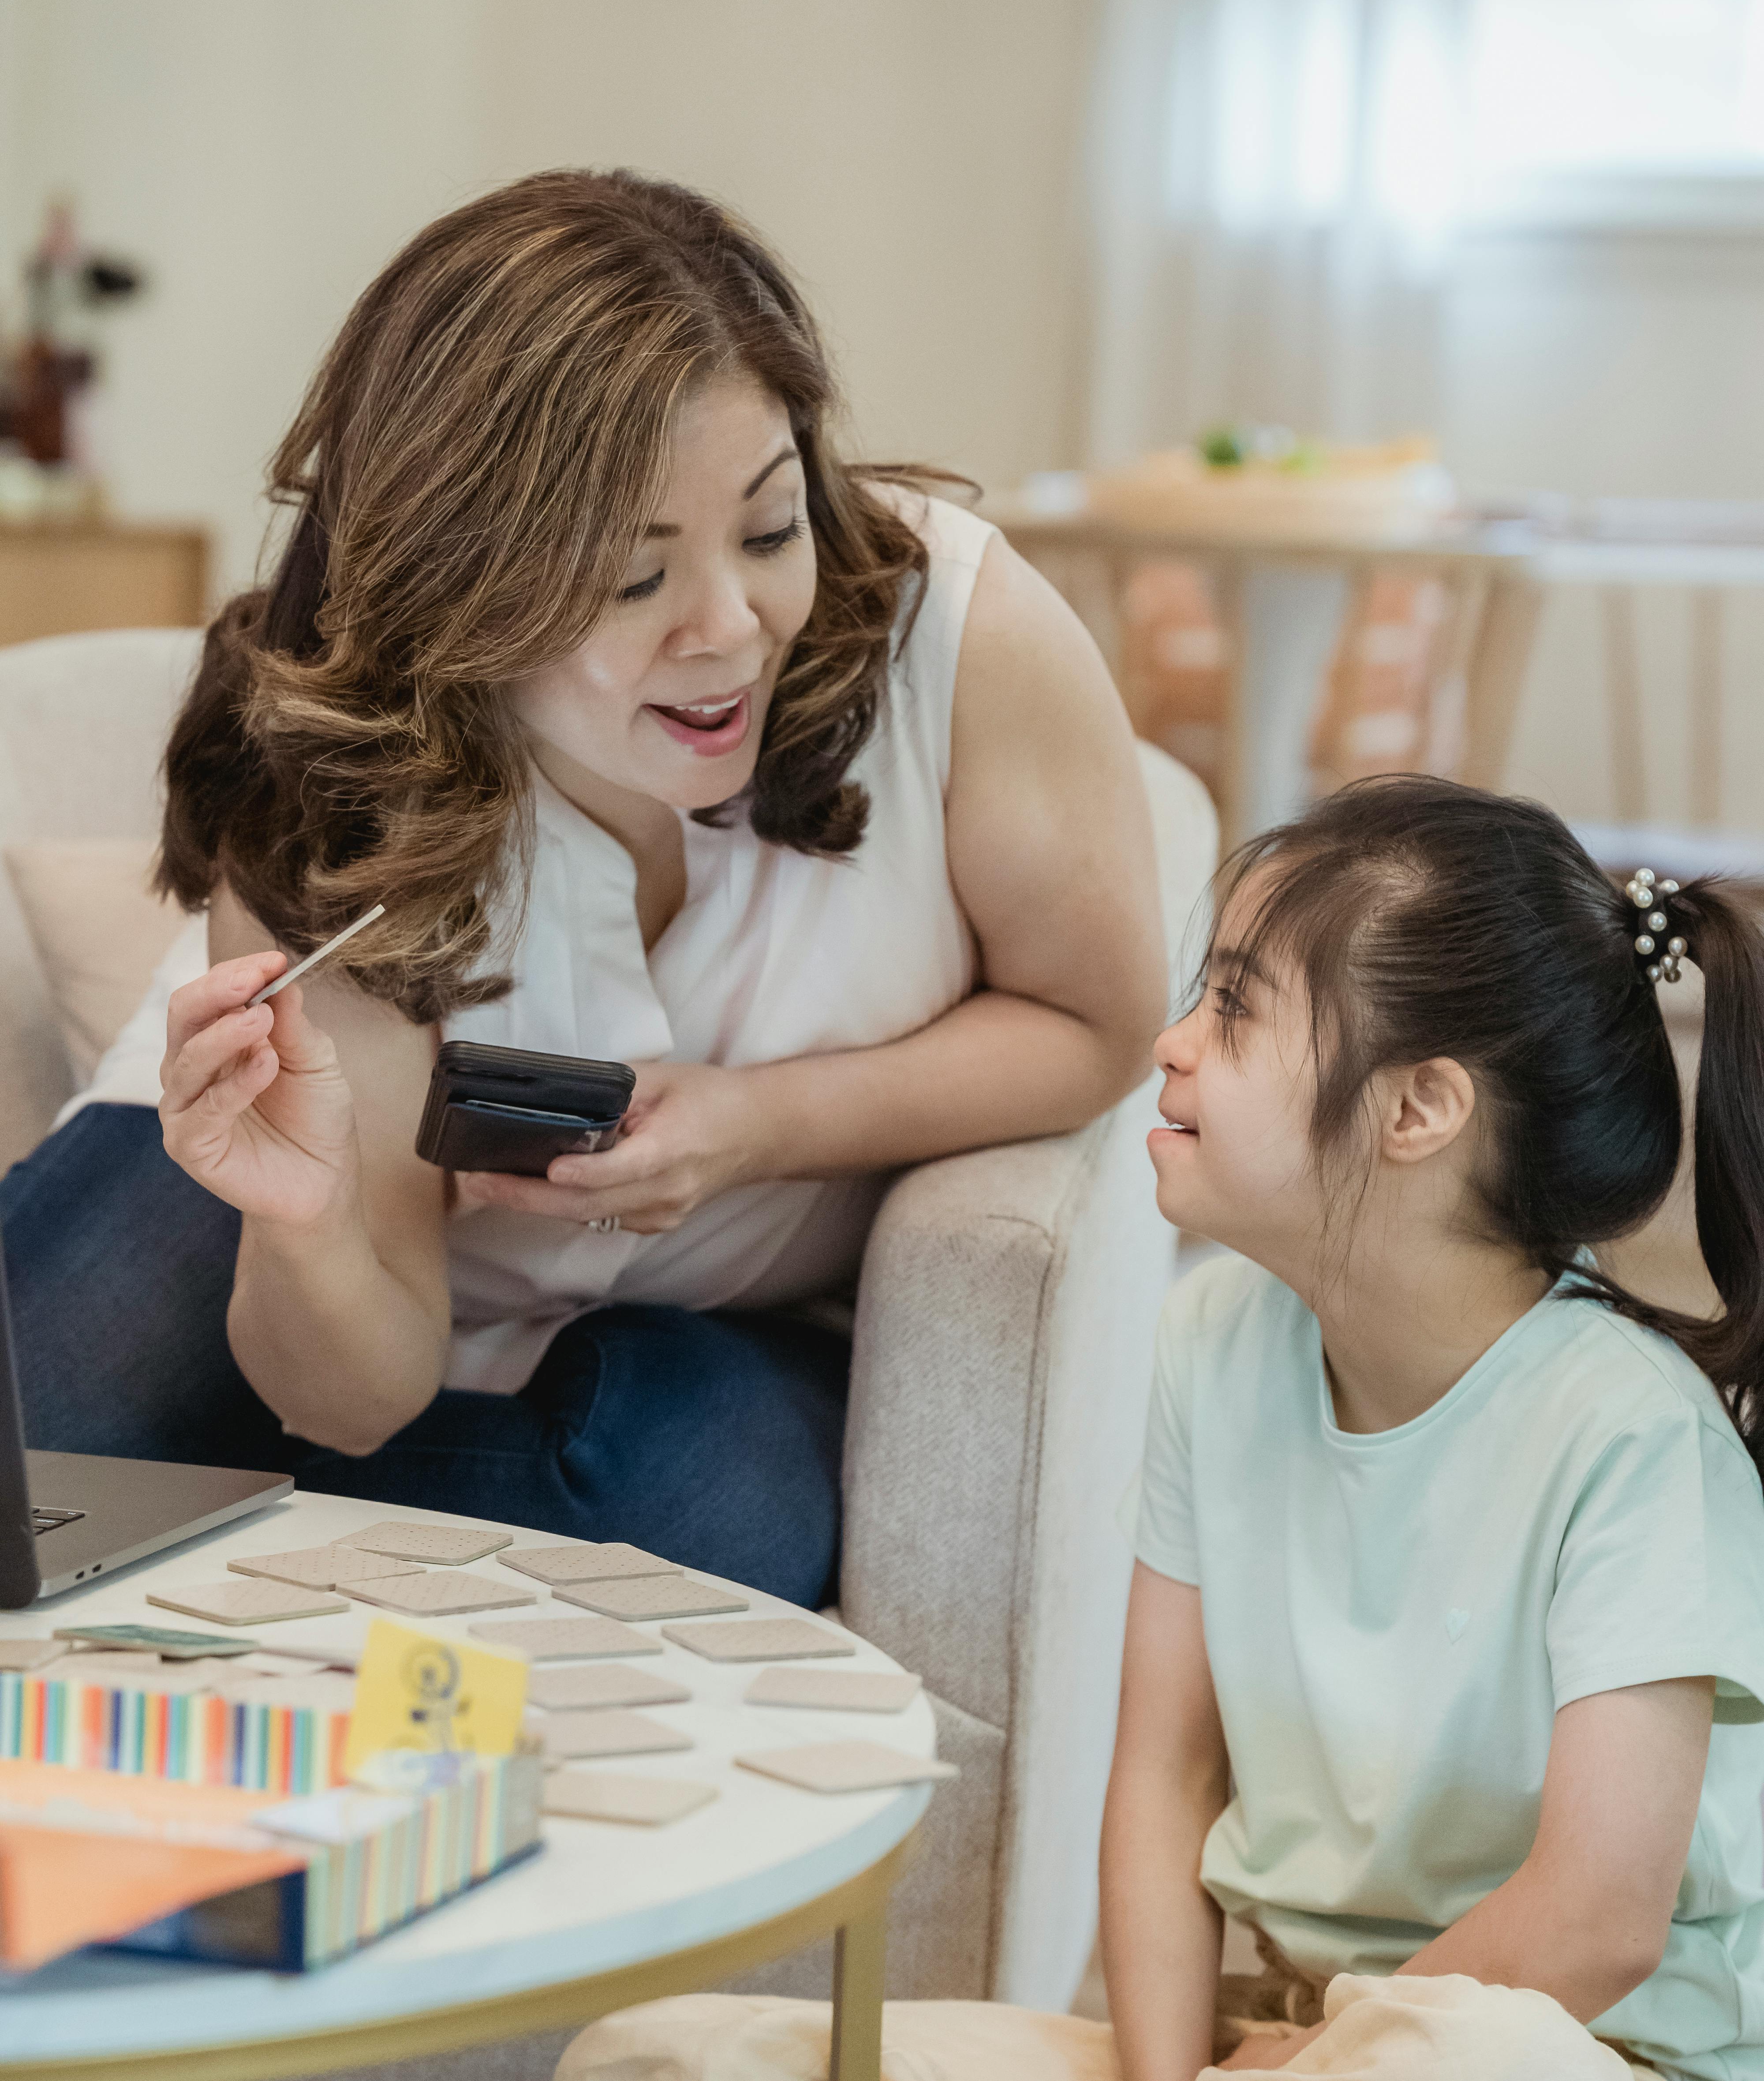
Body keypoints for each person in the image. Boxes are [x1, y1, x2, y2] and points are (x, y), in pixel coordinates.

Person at [550, 777, 1764, 2081]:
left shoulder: (1632, 1435)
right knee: (654, 2080)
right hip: (1269, 2064)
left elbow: (1601, 1919)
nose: (1172, 1044)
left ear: (1418, 1111)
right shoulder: (1214, 1345)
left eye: (1236, 1011)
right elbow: (1164, 1778)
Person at [0, 172, 1165, 1605]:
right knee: (36, 1462)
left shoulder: (961, 638)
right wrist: (302, 1220)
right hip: (277, 1232)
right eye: (631, 578)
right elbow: (359, 1389)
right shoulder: (328, 781)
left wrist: (762, 1125)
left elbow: (1099, 1023)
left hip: (728, 1311)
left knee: (703, 1506)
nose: (730, 629)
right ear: (457, 581)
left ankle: (181, 1555)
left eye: (769, 529)